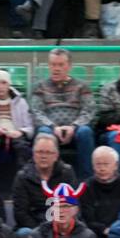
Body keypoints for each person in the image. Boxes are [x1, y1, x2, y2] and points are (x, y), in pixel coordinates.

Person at [28, 47, 95, 180]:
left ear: (69, 66)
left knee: (85, 132)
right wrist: (54, 127)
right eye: (53, 64)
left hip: (76, 129)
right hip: (51, 128)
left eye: (60, 65)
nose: (56, 68)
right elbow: (36, 112)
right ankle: (43, 178)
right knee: (43, 131)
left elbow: (89, 111)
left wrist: (74, 126)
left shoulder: (82, 86)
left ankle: (86, 181)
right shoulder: (40, 87)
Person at [12, 132, 77, 238]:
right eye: (39, 152)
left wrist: (59, 228)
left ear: (56, 155)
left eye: (48, 152)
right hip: (33, 227)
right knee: (24, 233)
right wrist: (42, 232)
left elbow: (73, 206)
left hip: (61, 225)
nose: (43, 156)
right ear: (33, 154)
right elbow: (20, 213)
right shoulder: (22, 177)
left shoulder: (66, 173)